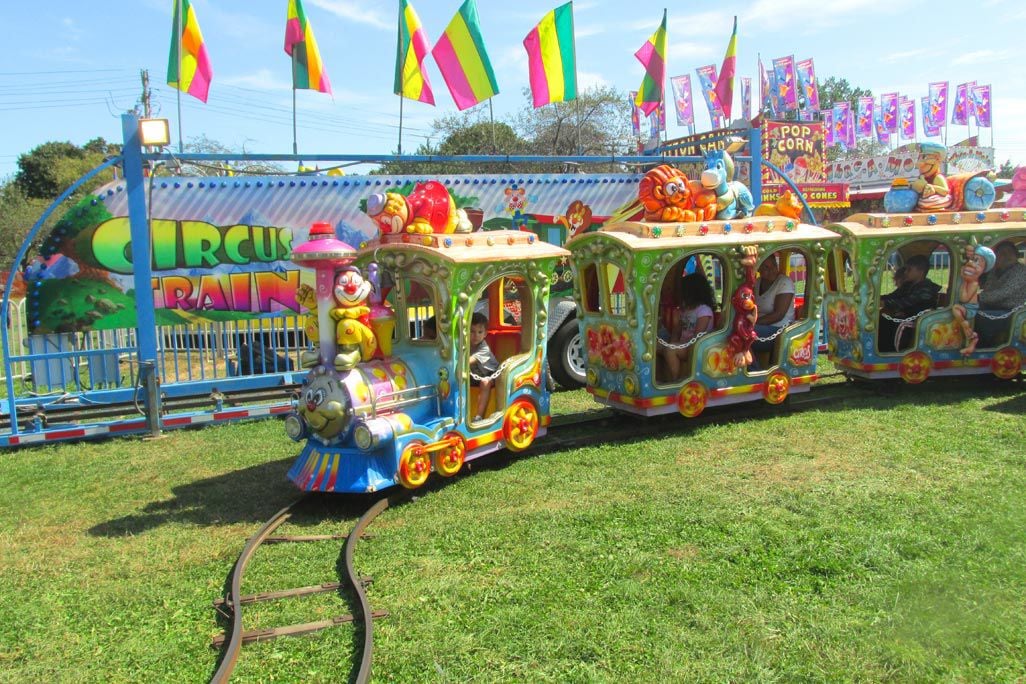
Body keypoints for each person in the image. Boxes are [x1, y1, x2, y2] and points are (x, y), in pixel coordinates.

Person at [877, 254, 941, 352]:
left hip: (919, 322)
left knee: (888, 323)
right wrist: (876, 298)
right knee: (880, 320)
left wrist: (885, 303)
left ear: (920, 272)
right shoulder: (908, 286)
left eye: (909, 270)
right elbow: (893, 296)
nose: (906, 272)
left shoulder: (927, 288)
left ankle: (890, 351)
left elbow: (907, 302)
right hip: (906, 317)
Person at [659, 273, 716, 381]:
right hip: (683, 345)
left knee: (670, 350)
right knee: (658, 347)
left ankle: (676, 381)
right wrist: (673, 341)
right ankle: (661, 377)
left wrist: (674, 346)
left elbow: (697, 336)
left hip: (697, 348)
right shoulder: (685, 310)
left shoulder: (704, 310)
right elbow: (677, 331)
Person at [975, 241, 1026, 347]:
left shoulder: (1021, 271)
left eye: (1009, 253)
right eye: (1002, 253)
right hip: (994, 306)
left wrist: (979, 297)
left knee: (978, 316)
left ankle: (985, 344)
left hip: (1011, 310)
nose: (1006, 256)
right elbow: (988, 289)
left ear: (1016, 255)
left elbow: (1004, 292)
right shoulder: (995, 271)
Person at [751, 253, 795, 354]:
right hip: (761, 326)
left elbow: (778, 315)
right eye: (766, 267)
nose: (772, 270)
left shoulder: (784, 282)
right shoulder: (757, 283)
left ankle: (753, 367)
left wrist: (752, 323)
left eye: (774, 265)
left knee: (743, 334)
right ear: (758, 269)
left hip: (779, 329)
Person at [469, 312, 498, 422]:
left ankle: (479, 416)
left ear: (485, 334)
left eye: (479, 332)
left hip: (491, 374)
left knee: (485, 382)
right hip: (476, 375)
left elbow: (467, 361)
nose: (476, 335)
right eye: (472, 331)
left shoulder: (483, 348)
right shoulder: (466, 345)